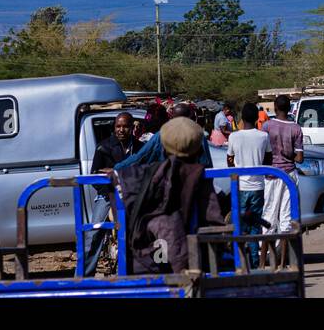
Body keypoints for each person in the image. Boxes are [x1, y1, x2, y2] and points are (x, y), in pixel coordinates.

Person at [122, 117, 224, 274]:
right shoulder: (200, 177)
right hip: (193, 263)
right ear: (198, 149)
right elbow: (215, 221)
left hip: (150, 261)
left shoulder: (144, 176)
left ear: (163, 148)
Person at [85, 111, 137, 274]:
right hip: (107, 195)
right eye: (118, 126)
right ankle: (84, 275)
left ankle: (131, 272)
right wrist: (108, 193)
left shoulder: (139, 148)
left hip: (131, 195)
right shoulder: (103, 147)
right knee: (94, 232)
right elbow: (94, 175)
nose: (121, 130)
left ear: (132, 127)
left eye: (125, 126)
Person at [226, 103, 272, 268]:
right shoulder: (263, 136)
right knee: (255, 228)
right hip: (258, 187)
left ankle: (240, 263)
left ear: (241, 119)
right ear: (256, 119)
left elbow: (229, 160)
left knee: (240, 226)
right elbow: (268, 161)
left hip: (240, 187)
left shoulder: (233, 137)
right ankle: (254, 264)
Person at [261, 94, 303, 260]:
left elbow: (264, 154)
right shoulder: (296, 128)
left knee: (268, 215)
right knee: (286, 218)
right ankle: (283, 259)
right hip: (290, 176)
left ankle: (264, 259)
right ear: (289, 108)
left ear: (275, 108)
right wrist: (288, 155)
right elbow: (299, 158)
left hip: (271, 175)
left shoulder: (267, 127)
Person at [115, 104, 212, 173]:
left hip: (169, 191)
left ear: (172, 118)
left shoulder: (161, 135)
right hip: (191, 190)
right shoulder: (199, 136)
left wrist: (117, 168)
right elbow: (207, 165)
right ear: (191, 118)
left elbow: (141, 157)